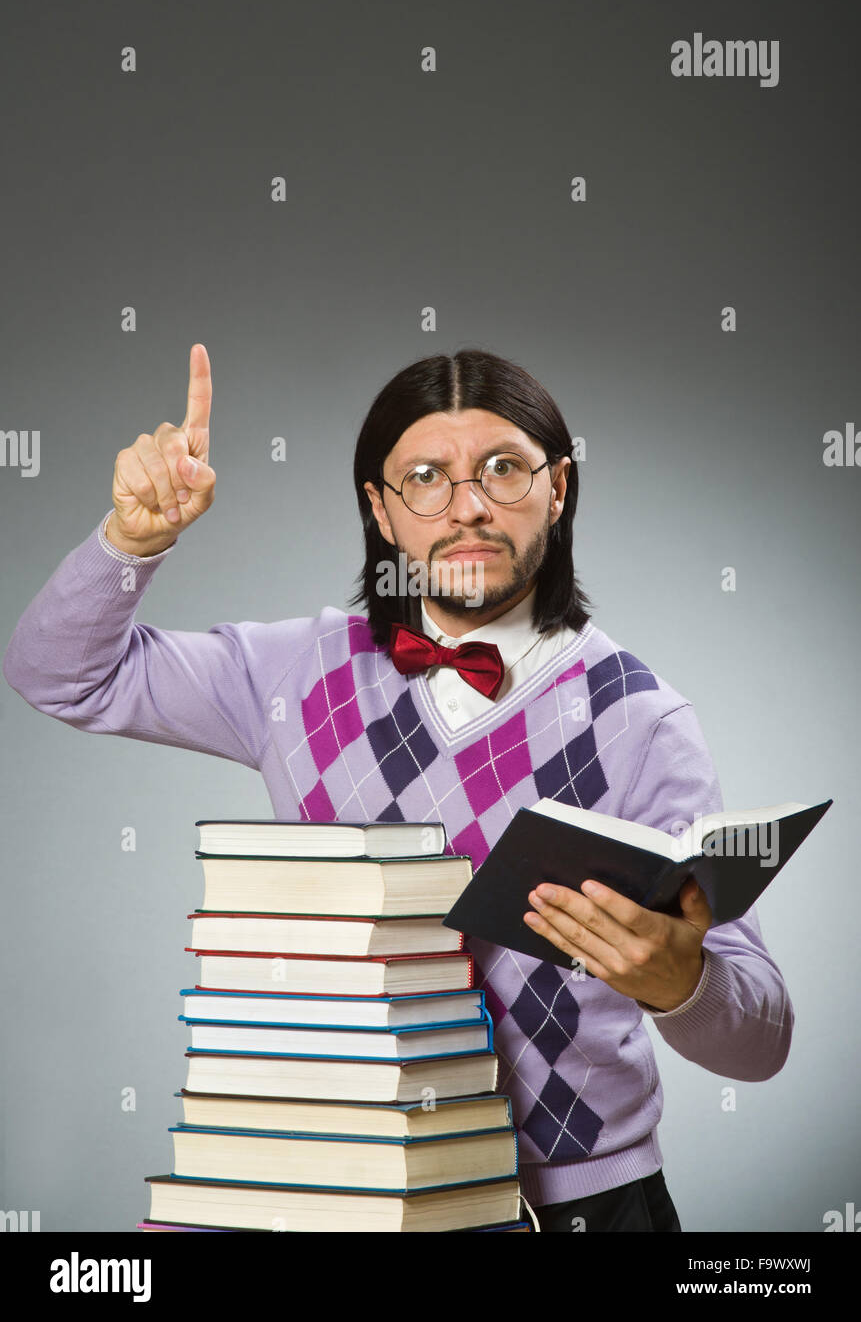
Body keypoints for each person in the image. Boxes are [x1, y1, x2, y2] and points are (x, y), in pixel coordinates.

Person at [2, 343, 793, 1233]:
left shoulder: (642, 721)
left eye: (503, 469)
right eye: (425, 477)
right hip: (336, 1182)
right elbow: (59, 675)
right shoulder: (294, 672)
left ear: (557, 490)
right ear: (380, 511)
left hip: (579, 1205)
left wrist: (678, 981)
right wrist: (130, 544)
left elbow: (761, 1039)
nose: (468, 507)